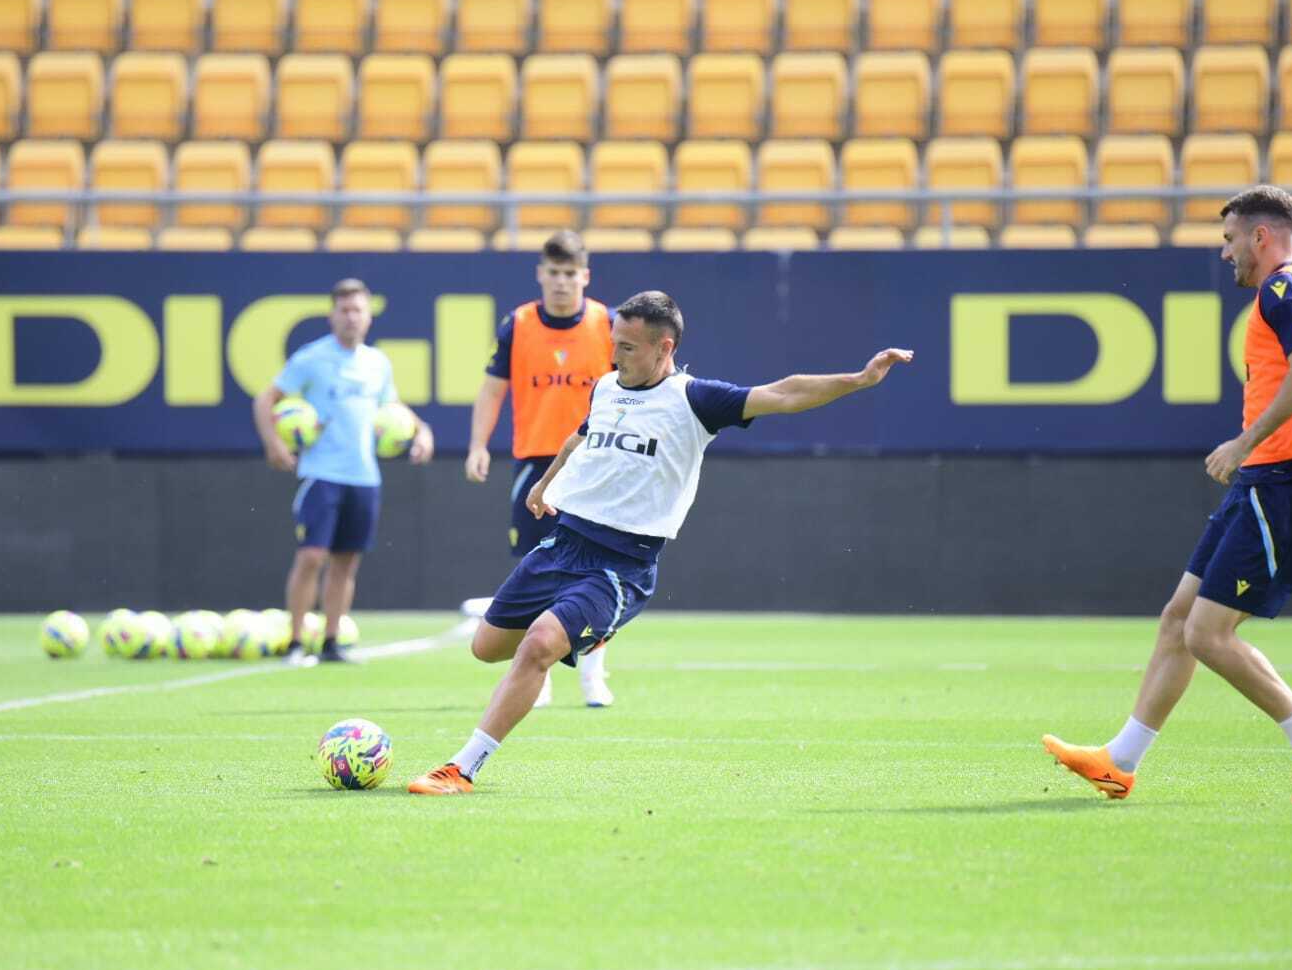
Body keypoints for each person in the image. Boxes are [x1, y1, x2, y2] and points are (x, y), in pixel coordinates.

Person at [410, 290, 912, 793]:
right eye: (614, 343)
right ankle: (590, 631)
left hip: (619, 566)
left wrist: (859, 379)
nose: (614, 355)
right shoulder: (606, 386)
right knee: (487, 648)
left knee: (539, 645)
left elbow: (784, 393)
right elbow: (580, 436)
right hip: (562, 544)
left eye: (628, 347)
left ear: (663, 347)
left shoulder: (695, 400)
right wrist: (544, 486)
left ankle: (462, 768)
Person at [1044, 185, 1292, 805]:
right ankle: (1120, 761)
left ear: (1261, 236)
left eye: (1230, 239)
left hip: (1280, 481)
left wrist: (1245, 440)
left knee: (1208, 634)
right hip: (1270, 480)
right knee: (1179, 619)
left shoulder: (1282, 290)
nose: (1226, 252)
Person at [466, 230, 617, 708]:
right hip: (535, 462)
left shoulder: (606, 323)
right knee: (536, 566)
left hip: (595, 462)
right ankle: (541, 670)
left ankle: (594, 671)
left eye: (570, 273)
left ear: (585, 276)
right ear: (540, 274)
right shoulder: (518, 324)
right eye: (553, 272)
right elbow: (493, 389)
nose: (561, 282)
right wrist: (477, 444)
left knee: (599, 568)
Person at [253, 278, 433, 666]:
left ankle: (332, 640)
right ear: (332, 316)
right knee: (312, 557)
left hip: (365, 477)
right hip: (323, 474)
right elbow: (265, 398)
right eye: (344, 310)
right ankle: (296, 642)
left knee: (346, 562)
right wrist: (274, 443)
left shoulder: (377, 363)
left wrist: (422, 430)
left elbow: (393, 407)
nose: (351, 317)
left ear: (368, 317)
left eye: (358, 310)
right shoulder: (311, 358)